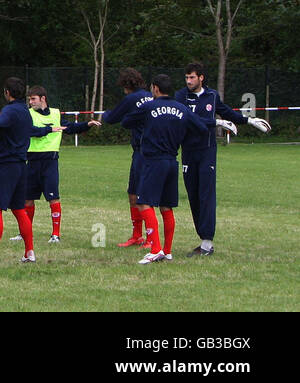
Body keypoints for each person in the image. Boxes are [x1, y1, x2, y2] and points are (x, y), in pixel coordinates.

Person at [173, 61, 271, 256]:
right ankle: (203, 239)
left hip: (207, 152)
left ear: (201, 78)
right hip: (189, 152)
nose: (189, 81)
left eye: (192, 77)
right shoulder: (180, 97)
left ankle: (207, 243)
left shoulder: (212, 96)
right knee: (193, 196)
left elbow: (226, 112)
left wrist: (249, 120)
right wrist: (216, 122)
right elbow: (188, 120)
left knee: (206, 195)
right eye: (187, 78)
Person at [120, 73, 210, 264]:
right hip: (172, 161)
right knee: (166, 206)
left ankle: (155, 249)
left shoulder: (149, 106)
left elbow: (126, 122)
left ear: (155, 88)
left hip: (153, 161)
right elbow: (201, 129)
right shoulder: (181, 108)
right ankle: (167, 251)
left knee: (144, 203)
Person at [0, 77, 53, 265]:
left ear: (7, 93)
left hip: (5, 166)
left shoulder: (10, 111)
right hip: (21, 166)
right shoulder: (26, 112)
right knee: (19, 210)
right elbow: (31, 130)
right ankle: (29, 252)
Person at [17, 86, 92, 244]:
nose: (30, 102)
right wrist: (49, 129)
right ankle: (25, 232)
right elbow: (30, 131)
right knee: (27, 199)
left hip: (50, 162)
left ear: (43, 99)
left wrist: (87, 125)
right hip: (31, 161)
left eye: (33, 99)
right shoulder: (27, 114)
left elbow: (69, 128)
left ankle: (55, 234)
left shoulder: (56, 113)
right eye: (29, 99)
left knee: (53, 198)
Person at [92, 68, 154, 248]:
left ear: (127, 85)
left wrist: (106, 113)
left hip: (144, 151)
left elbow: (112, 118)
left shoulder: (131, 99)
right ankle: (137, 236)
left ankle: (150, 238)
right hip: (146, 150)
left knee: (142, 195)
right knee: (133, 193)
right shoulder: (149, 96)